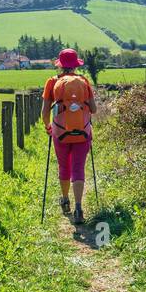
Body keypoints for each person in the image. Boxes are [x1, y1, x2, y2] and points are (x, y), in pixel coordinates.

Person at [41, 48, 97, 224]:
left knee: (64, 166)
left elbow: (44, 112)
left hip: (60, 133)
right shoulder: (84, 81)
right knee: (78, 167)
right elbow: (94, 109)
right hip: (83, 133)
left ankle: (65, 200)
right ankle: (79, 207)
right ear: (75, 65)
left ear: (60, 65)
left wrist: (49, 127)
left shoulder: (52, 83)